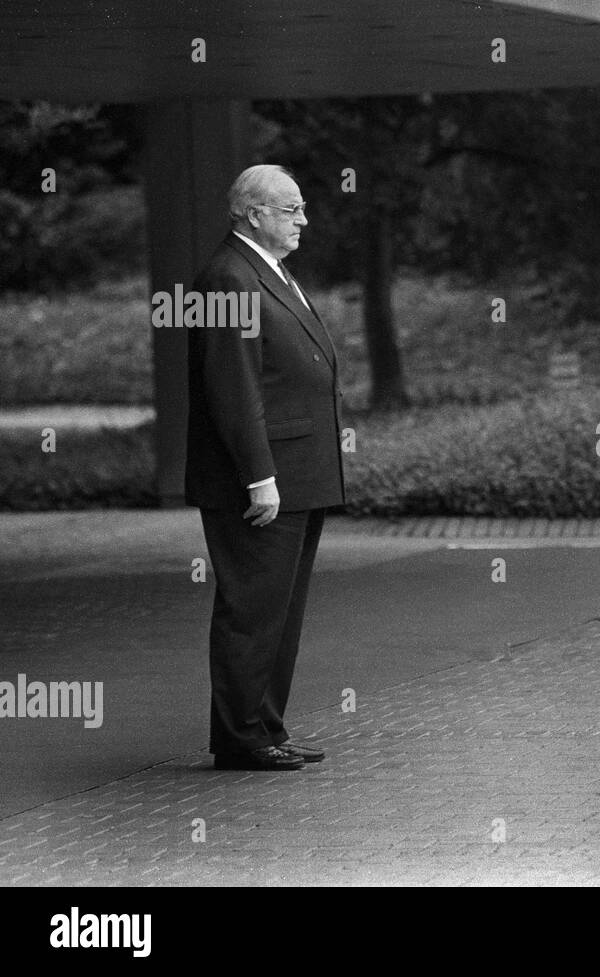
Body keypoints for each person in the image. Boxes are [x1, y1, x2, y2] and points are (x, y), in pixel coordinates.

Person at [186, 164, 344, 771]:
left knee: (279, 610)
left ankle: (264, 727)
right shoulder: (229, 278)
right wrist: (259, 476)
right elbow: (233, 389)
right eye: (291, 209)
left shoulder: (264, 271)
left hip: (296, 473)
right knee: (252, 610)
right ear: (254, 214)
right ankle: (240, 737)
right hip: (262, 480)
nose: (303, 219)